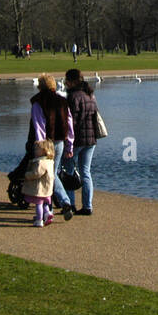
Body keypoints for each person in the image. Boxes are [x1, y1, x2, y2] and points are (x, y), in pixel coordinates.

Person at [28, 74, 75, 219]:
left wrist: (39, 144)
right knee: (52, 173)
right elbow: (69, 124)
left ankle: (57, 204)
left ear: (40, 86)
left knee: (48, 175)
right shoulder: (62, 101)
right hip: (60, 141)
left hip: (46, 142)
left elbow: (39, 125)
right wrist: (70, 145)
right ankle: (55, 206)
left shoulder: (38, 102)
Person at [63, 72, 100, 216]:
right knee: (86, 172)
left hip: (77, 139)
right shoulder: (90, 95)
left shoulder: (73, 97)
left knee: (69, 170)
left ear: (72, 82)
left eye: (67, 80)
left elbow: (71, 122)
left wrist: (68, 143)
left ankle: (70, 203)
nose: (65, 83)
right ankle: (87, 206)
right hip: (91, 139)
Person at [22, 139, 56, 227]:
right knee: (45, 202)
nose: (35, 151)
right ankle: (47, 213)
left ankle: (39, 219)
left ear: (44, 151)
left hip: (40, 188)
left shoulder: (41, 162)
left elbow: (36, 174)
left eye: (37, 150)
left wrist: (27, 175)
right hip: (47, 188)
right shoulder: (50, 161)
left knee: (39, 204)